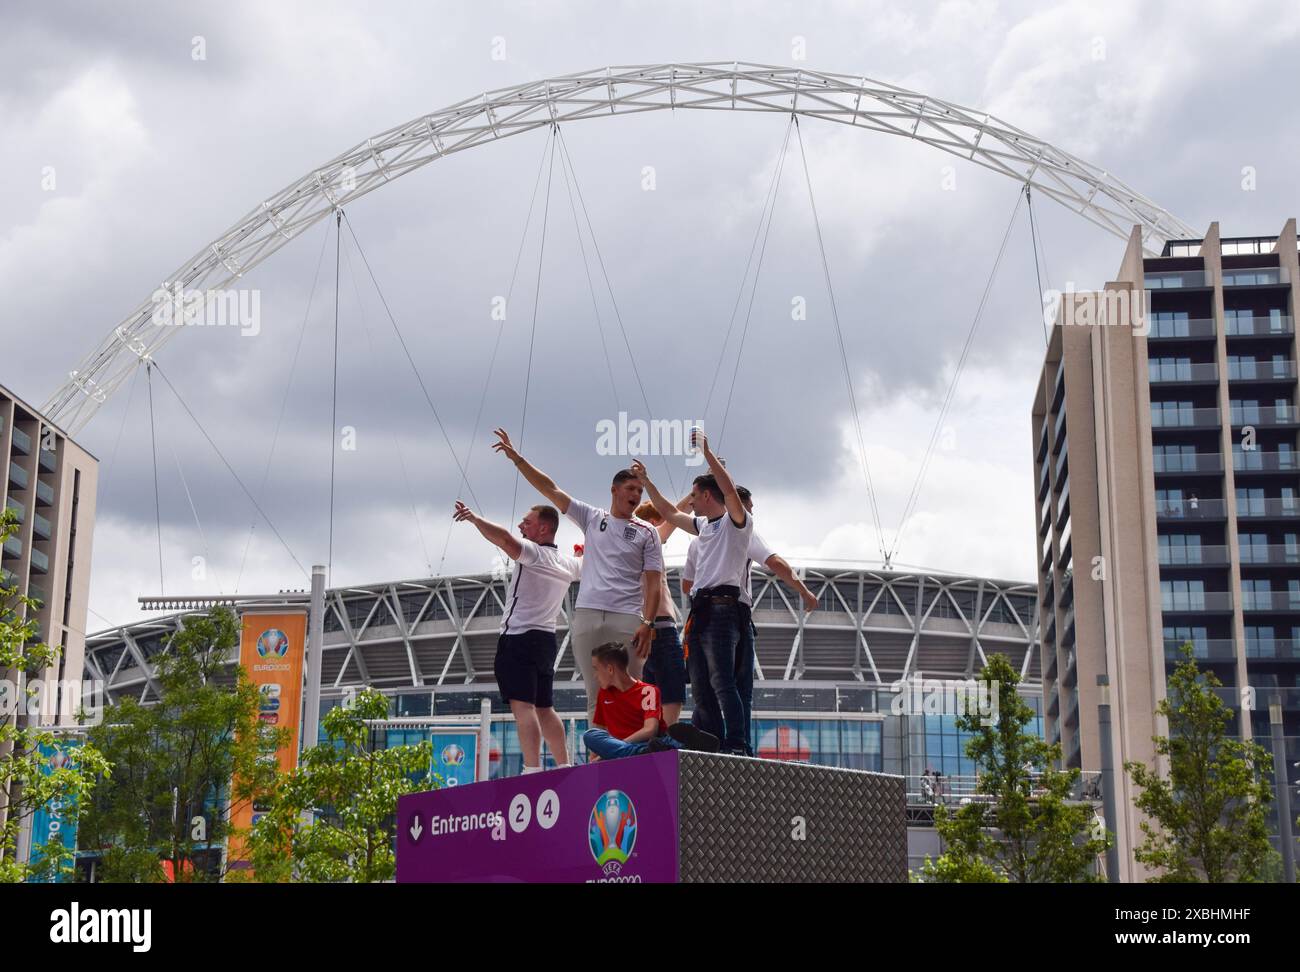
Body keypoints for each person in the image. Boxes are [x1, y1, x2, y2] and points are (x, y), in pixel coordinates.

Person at [491, 428, 663, 725]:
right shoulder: (593, 518)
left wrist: (648, 624)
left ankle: (631, 760)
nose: (635, 496)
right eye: (630, 489)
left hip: (627, 617)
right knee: (595, 693)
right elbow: (551, 490)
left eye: (639, 491)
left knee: (631, 689)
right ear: (614, 490)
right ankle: (598, 761)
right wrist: (517, 459)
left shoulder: (647, 533)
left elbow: (653, 583)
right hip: (588, 617)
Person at [632, 431, 752, 755]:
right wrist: (647, 481)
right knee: (701, 684)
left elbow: (728, 489)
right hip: (699, 610)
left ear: (709, 497)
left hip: (724, 607)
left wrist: (707, 452)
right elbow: (670, 513)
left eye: (696, 495)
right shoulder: (703, 527)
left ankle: (738, 743)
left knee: (723, 682)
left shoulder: (736, 522)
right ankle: (711, 737)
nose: (693, 501)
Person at [681, 485, 819, 753]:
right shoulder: (740, 530)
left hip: (705, 613)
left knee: (706, 684)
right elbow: (775, 562)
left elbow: (688, 584)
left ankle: (718, 740)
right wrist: (803, 591)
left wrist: (708, 584)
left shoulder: (700, 539)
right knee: (732, 685)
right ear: (737, 506)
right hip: (733, 613)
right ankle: (737, 745)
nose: (752, 512)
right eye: (749, 507)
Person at [453, 500, 580, 774]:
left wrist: (474, 518)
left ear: (544, 528)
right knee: (545, 707)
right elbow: (590, 563)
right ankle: (564, 765)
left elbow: (503, 538)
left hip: (519, 638)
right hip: (547, 640)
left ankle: (532, 770)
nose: (521, 526)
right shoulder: (568, 563)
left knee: (524, 708)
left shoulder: (534, 553)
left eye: (528, 522)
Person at [582, 642, 718, 760]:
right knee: (590, 735)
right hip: (643, 748)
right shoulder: (604, 694)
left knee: (661, 741)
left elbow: (650, 730)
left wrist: (614, 749)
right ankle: (676, 747)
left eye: (596, 669)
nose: (595, 675)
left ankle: (678, 745)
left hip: (647, 743)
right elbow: (599, 730)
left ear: (610, 669)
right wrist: (599, 754)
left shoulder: (648, 691)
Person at [633, 498, 693, 728]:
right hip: (661, 630)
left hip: (640, 632)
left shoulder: (626, 549)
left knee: (649, 699)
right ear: (653, 521)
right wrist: (694, 493)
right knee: (671, 695)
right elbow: (674, 515)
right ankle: (664, 743)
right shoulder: (648, 537)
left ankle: (652, 744)